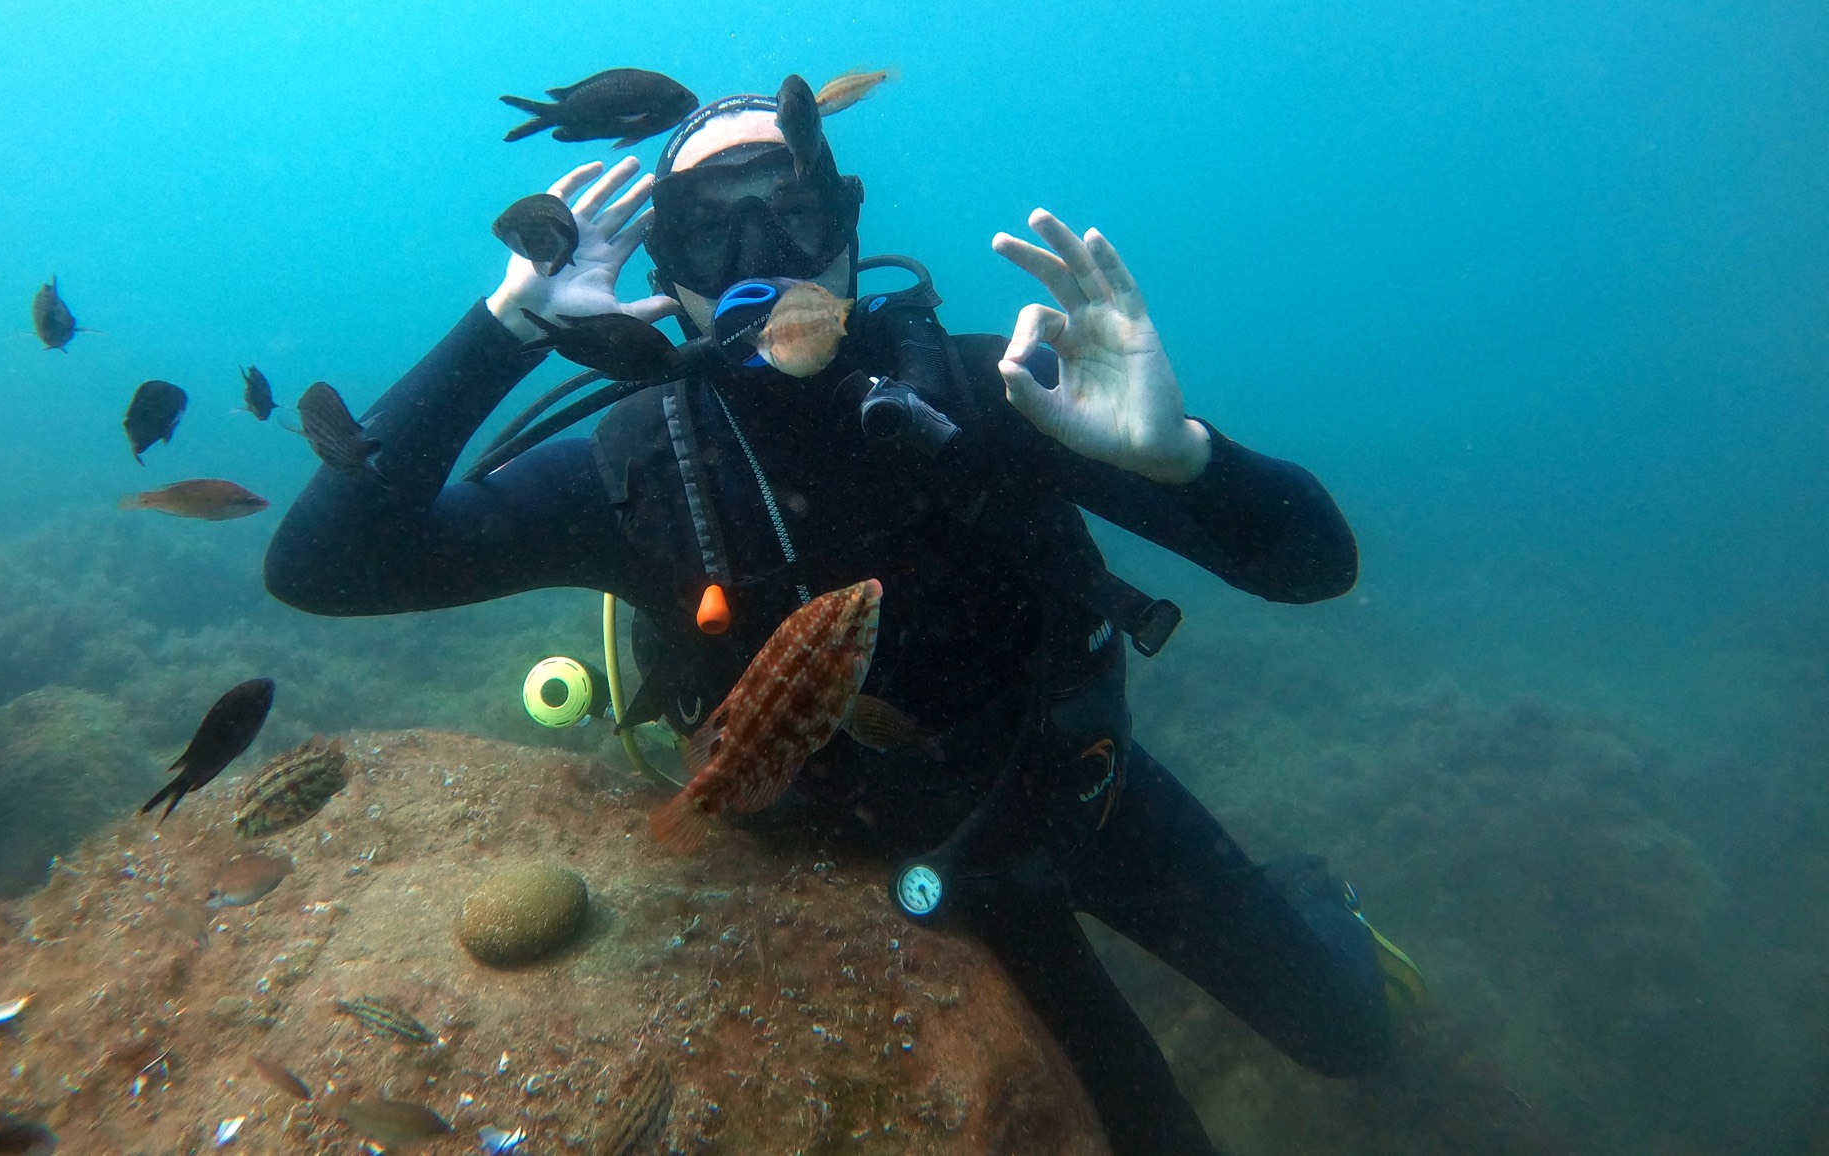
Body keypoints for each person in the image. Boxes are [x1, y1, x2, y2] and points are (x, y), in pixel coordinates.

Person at [264, 88, 1397, 1155]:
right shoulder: (637, 472)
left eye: (793, 211)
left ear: (845, 228)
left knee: (1347, 1036)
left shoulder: (995, 394)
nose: (761, 261)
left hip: (1078, 787)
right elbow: (326, 567)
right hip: (873, 868)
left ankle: (1307, 895)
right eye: (713, 231)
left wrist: (1181, 459)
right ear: (661, 261)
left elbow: (1314, 567)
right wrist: (501, 329)